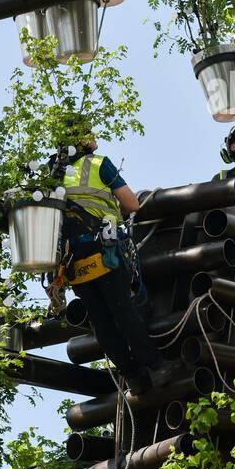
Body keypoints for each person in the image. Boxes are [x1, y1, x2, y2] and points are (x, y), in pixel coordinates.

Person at [51, 127, 175, 389]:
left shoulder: (53, 175)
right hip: (103, 250)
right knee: (124, 312)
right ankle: (157, 366)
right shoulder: (98, 164)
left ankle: (133, 377)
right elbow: (132, 205)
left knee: (101, 322)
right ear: (81, 140)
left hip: (73, 261)